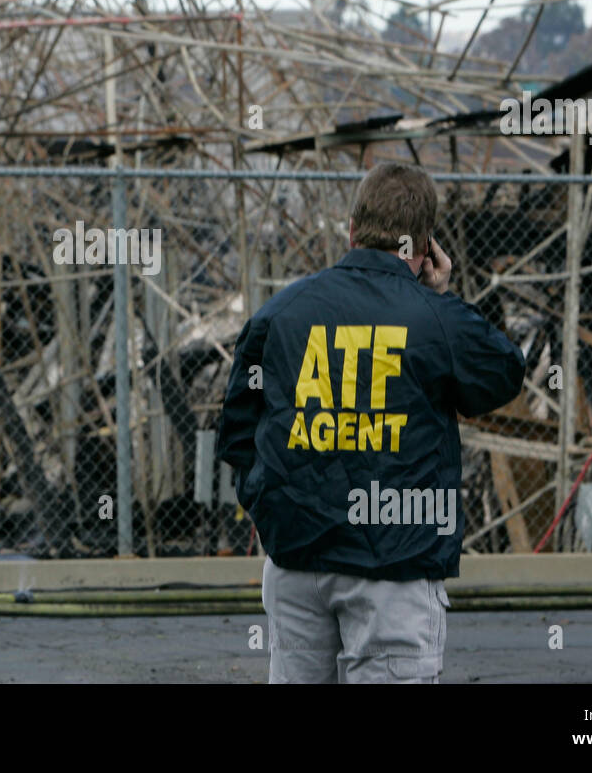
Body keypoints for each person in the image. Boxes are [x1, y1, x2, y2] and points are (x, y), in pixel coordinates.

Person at [216, 161, 525, 683]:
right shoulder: (434, 318)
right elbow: (501, 374)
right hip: (394, 565)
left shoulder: (283, 312)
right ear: (425, 246)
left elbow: (237, 427)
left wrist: (272, 507)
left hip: (297, 560)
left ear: (353, 229)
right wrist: (441, 296)